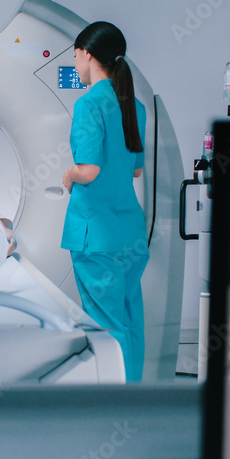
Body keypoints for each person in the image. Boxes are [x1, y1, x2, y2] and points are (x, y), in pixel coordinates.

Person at [61, 21, 149, 382]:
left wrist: (69, 175)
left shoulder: (88, 104)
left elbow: (90, 169)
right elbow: (136, 171)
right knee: (129, 320)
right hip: (128, 232)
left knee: (107, 327)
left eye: (76, 56)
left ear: (88, 54)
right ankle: (133, 398)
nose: (76, 64)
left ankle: (113, 407)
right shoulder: (136, 106)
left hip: (95, 236)